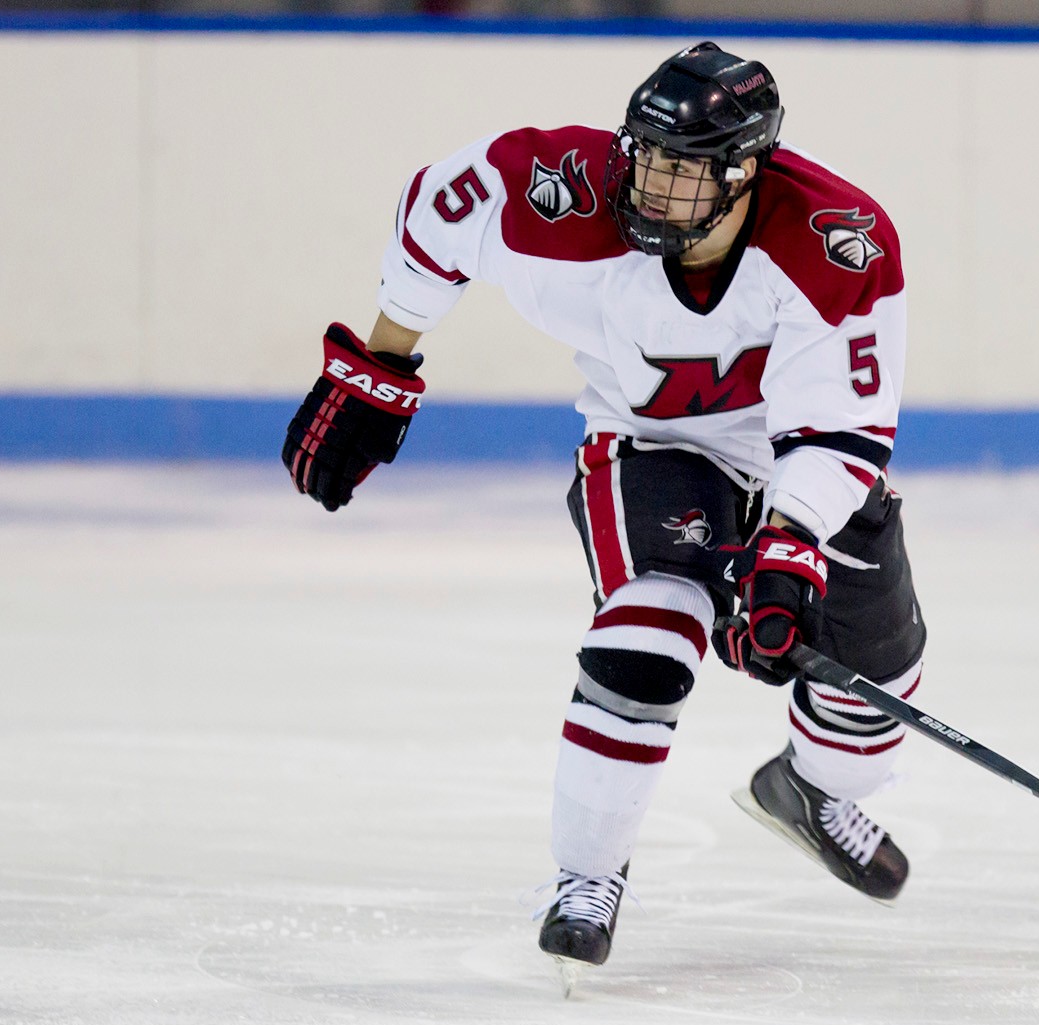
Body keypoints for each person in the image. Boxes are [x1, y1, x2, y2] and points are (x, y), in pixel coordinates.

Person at [282, 41, 928, 978]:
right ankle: (585, 875)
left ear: (747, 173)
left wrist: (787, 547)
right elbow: (437, 209)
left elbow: (841, 434)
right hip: (646, 445)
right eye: (647, 156)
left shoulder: (838, 241)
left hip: (792, 457)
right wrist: (385, 363)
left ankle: (813, 788)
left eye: (683, 171)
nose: (650, 187)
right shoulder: (562, 189)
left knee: (879, 669)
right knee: (654, 625)